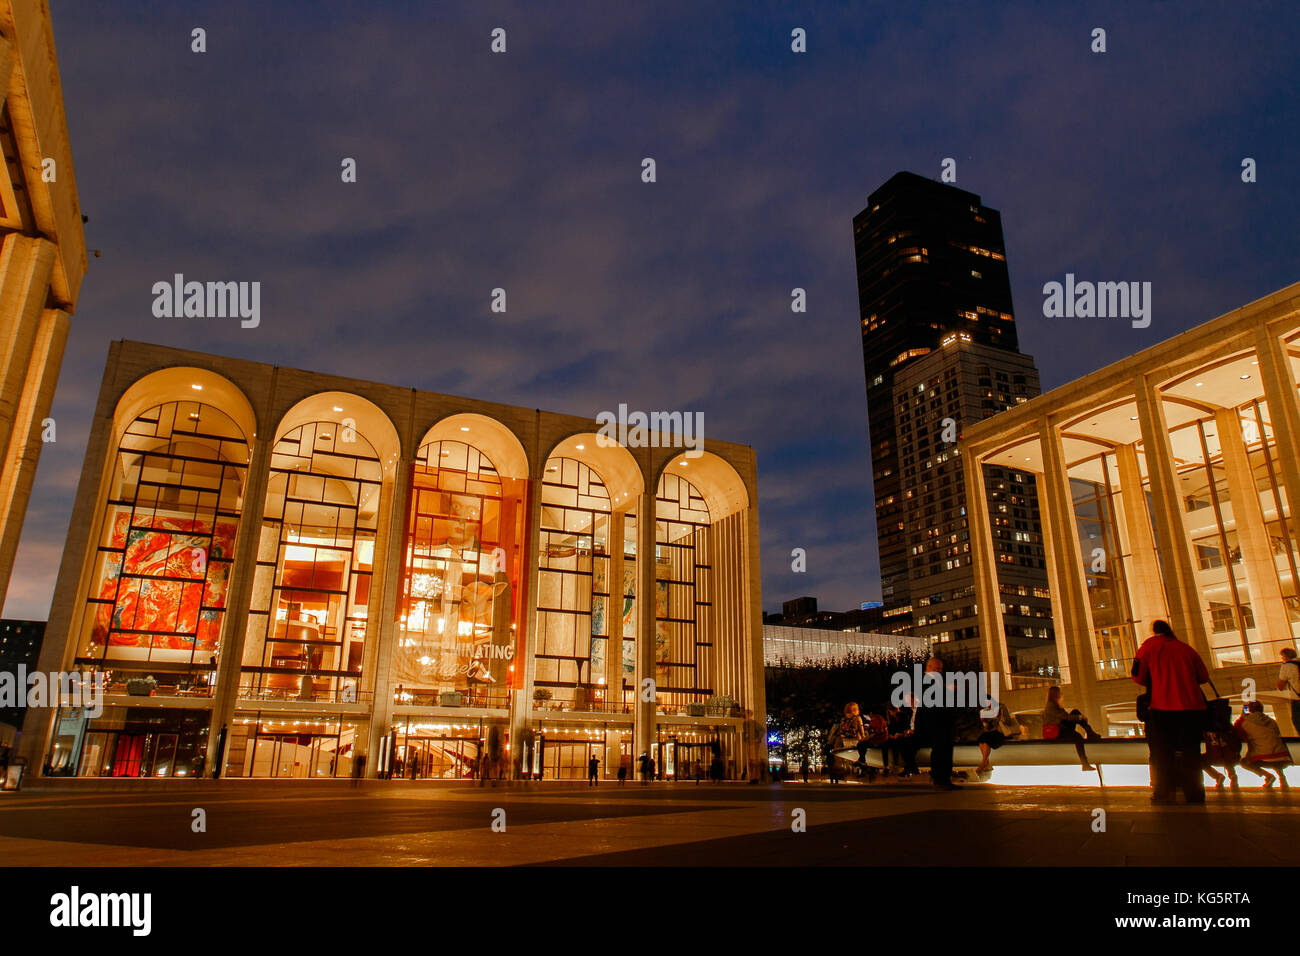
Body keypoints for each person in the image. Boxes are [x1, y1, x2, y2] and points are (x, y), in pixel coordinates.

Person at [1133, 619, 1212, 805]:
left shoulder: (1148, 648)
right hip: (1191, 707)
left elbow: (1137, 676)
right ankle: (1195, 794)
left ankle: (1163, 791)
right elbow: (1203, 676)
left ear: (1154, 631)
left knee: (1161, 752)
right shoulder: (1185, 649)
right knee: (1191, 751)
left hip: (1161, 707)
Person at [914, 657, 959, 790]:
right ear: (929, 667)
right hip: (934, 722)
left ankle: (943, 778)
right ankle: (941, 778)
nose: (940, 671)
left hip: (940, 721)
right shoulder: (925, 681)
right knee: (941, 749)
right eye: (938, 668)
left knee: (944, 748)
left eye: (940, 668)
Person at [1234, 701, 1292, 789]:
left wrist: (1242, 716)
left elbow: (1237, 733)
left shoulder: (1244, 723)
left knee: (1244, 762)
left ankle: (1268, 776)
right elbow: (1277, 733)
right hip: (1283, 758)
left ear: (1248, 710)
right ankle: (1282, 780)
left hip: (1262, 759)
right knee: (1273, 750)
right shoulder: (1272, 721)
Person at [1043, 686, 1100, 771]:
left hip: (1059, 729)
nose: (1061, 694)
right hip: (1056, 732)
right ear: (1056, 694)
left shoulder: (1054, 705)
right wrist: (1080, 718)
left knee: (1075, 712)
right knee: (1078, 737)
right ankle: (1085, 762)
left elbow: (1067, 717)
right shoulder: (1052, 706)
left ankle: (1090, 732)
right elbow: (1065, 717)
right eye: (1059, 693)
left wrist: (1078, 717)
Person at [1202, 702, 1241, 790]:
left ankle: (1217, 776)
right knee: (1226, 752)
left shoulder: (1206, 728)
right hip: (1232, 758)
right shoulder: (1228, 728)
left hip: (1213, 758)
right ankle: (1233, 776)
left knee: (1199, 759)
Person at [976, 703, 1023, 774]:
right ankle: (986, 763)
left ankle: (983, 763)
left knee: (987, 739)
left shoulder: (1002, 707)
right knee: (982, 738)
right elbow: (989, 727)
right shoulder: (986, 710)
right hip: (995, 732)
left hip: (1004, 733)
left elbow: (1007, 721)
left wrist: (996, 716)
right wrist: (985, 721)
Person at [884, 699, 920, 776]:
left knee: (902, 744)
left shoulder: (903, 716)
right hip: (899, 736)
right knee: (887, 743)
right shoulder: (892, 718)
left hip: (904, 736)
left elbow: (905, 728)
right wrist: (891, 735)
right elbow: (891, 729)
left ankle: (909, 767)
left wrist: (899, 734)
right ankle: (911, 767)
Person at [1276, 648, 1300, 735]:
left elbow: (1280, 687)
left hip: (1297, 700)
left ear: (1285, 657)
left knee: (1297, 722)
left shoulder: (1286, 666)